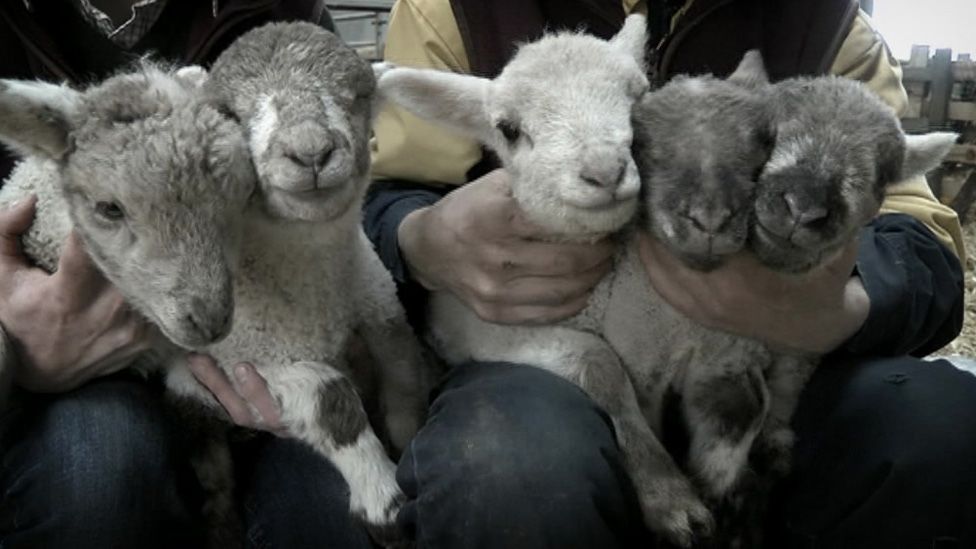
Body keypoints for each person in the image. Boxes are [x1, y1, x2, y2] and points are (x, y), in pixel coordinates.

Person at [360, 0, 976, 547]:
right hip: (541, 346)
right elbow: (387, 188)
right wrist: (418, 238)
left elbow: (918, 228)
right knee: (508, 461)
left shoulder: (827, 21)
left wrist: (842, 303)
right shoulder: (454, 11)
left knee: (941, 428)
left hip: (771, 351)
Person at [0, 2, 374, 548]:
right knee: (95, 469)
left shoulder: (279, 14)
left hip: (259, 325)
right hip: (69, 372)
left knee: (326, 508)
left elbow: (352, 175)